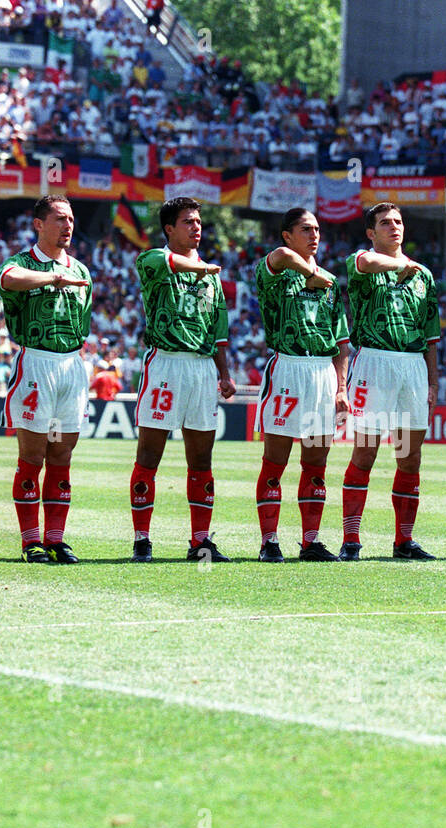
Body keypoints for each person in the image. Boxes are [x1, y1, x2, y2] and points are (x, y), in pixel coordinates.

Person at [128, 196, 236, 563]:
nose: (196, 227)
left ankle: (200, 541)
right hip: (166, 364)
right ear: (169, 228)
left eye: (198, 221)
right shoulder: (153, 260)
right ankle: (142, 539)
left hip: (202, 368)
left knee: (201, 458)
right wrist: (200, 269)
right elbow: (166, 262)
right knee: (149, 453)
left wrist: (224, 373)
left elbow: (219, 331)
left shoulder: (211, 277)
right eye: (188, 221)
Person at [338, 202, 439, 561]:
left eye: (398, 222)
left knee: (409, 458)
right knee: (365, 453)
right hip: (374, 362)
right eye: (385, 223)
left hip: (412, 366)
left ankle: (404, 541)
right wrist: (402, 264)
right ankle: (351, 539)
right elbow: (366, 264)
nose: (394, 227)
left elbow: (431, 336)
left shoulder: (423, 276)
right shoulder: (362, 261)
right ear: (371, 233)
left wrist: (432, 380)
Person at [0, 195, 93, 564]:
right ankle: (29, 541)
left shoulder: (82, 271)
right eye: (59, 219)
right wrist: (53, 277)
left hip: (71, 367)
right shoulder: (22, 263)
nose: (67, 225)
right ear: (39, 224)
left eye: (70, 219)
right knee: (32, 456)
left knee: (61, 454)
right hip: (36, 364)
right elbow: (7, 279)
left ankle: (55, 539)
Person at [253, 207, 349, 561]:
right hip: (288, 369)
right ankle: (269, 542)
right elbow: (278, 258)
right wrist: (309, 272)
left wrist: (341, 388)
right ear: (288, 236)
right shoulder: (277, 273)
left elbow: (341, 342)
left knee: (316, 464)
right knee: (275, 460)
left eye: (318, 229)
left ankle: (310, 542)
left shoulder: (331, 282)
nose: (314, 235)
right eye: (305, 229)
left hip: (322, 373)